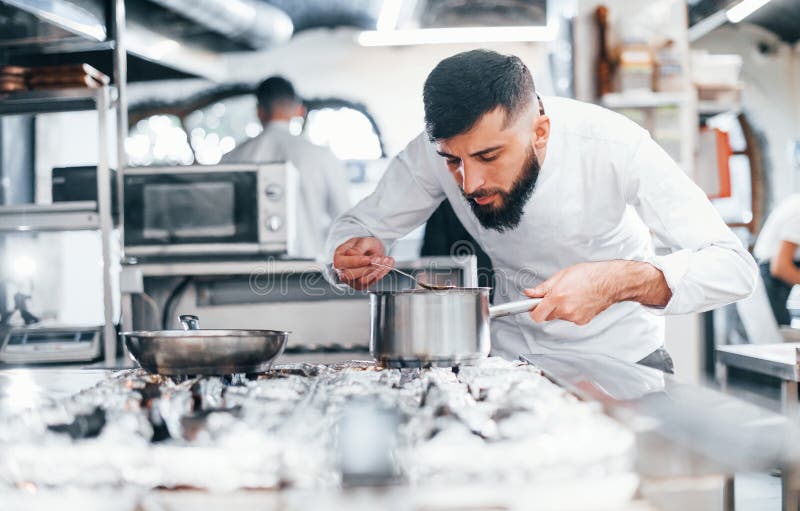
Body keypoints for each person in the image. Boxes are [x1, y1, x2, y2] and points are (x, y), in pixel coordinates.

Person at [328, 50, 757, 374]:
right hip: (511, 368)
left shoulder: (615, 146)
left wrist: (619, 280)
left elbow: (733, 266)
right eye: (453, 161)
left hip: (624, 363)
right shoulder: (433, 153)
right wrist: (348, 252)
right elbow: (359, 225)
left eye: (489, 155)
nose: (469, 183)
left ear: (540, 131)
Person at [224, 76, 351, 259]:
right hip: (309, 271)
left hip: (244, 273)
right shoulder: (321, 156)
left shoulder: (232, 158)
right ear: (299, 111)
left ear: (259, 112)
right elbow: (344, 221)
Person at [753, 194, 800, 325]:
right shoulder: (798, 213)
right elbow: (780, 267)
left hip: (773, 283)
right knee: (774, 340)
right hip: (766, 283)